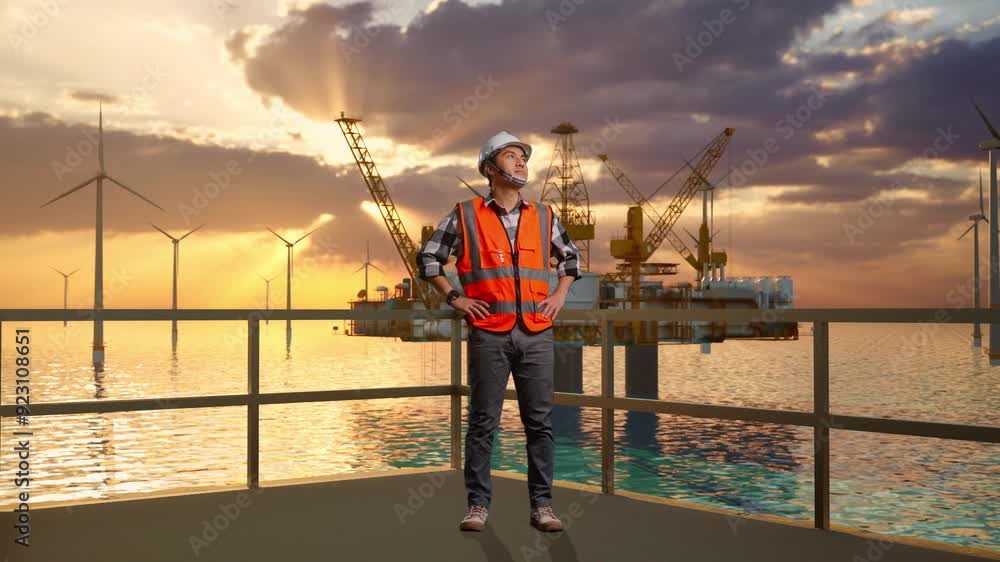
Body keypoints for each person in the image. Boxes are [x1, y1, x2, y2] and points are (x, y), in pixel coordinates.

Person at [416, 130, 582, 532]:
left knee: (540, 422)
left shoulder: (544, 216)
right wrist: (454, 298)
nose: (521, 161)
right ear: (491, 169)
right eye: (511, 156)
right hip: (489, 332)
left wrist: (560, 293)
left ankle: (542, 506)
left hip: (537, 332)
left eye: (523, 156)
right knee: (483, 421)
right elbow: (429, 258)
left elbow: (571, 259)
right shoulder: (466, 214)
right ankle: (477, 506)